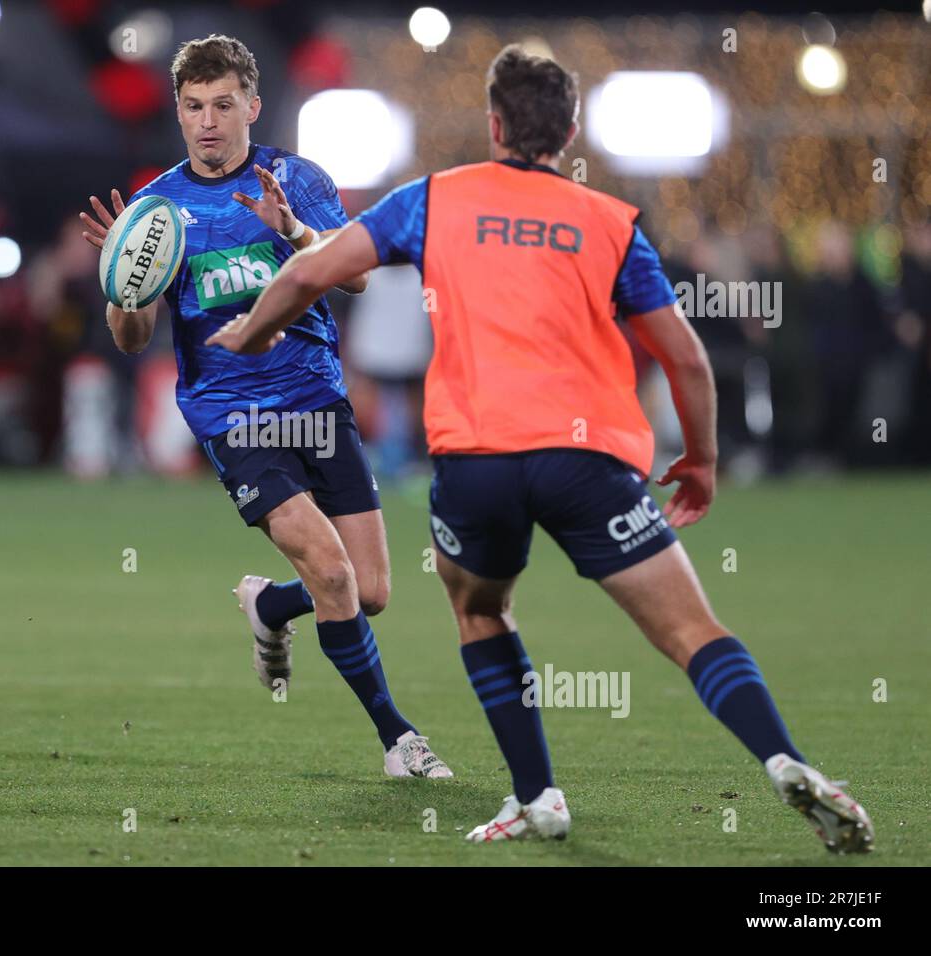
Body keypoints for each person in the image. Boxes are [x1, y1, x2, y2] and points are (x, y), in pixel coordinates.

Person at [208, 45, 872, 852]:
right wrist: (701, 460)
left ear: (493, 124)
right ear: (570, 131)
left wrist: (253, 328)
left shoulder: (433, 200)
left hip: (476, 461)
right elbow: (687, 359)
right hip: (590, 459)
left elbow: (318, 269)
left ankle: (537, 796)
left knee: (481, 609)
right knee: (692, 631)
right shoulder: (609, 222)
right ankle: (784, 761)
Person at [80, 34, 450, 778]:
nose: (207, 121)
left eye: (222, 105)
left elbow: (357, 280)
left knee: (370, 590)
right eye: (192, 107)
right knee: (335, 577)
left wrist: (296, 233)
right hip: (233, 414)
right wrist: (125, 286)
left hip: (316, 399)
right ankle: (399, 740)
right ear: (178, 112)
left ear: (252, 104)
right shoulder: (157, 210)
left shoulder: (298, 178)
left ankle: (272, 607)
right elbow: (132, 339)